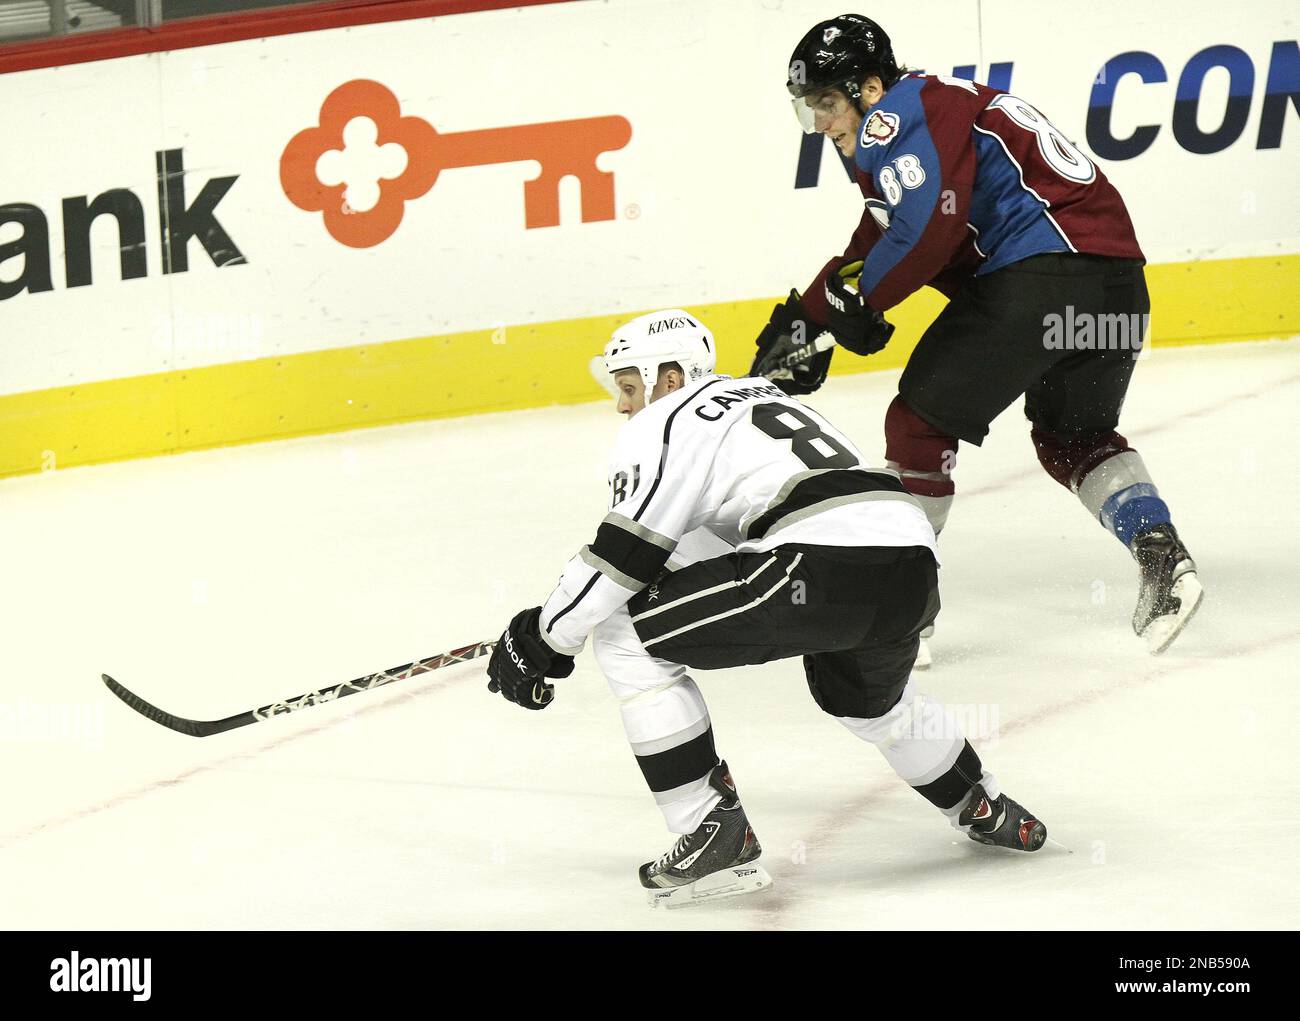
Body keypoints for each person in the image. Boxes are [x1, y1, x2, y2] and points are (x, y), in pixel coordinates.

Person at [486, 309, 1045, 908]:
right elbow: (688, 551)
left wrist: (547, 640)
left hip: (813, 562)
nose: (623, 406)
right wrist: (563, 617)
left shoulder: (668, 419)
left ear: (669, 378)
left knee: (625, 633)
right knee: (865, 698)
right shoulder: (757, 399)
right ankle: (979, 801)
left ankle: (708, 829)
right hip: (909, 563)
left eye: (628, 386)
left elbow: (624, 556)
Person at [749, 14, 1203, 659]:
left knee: (917, 425)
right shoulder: (939, 110)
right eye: (810, 107)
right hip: (1115, 290)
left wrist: (858, 303)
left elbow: (929, 231)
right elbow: (886, 233)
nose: (820, 122)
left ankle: (904, 613)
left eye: (827, 102)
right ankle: (1165, 561)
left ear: (870, 89)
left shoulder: (900, 117)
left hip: (1040, 275)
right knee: (1075, 438)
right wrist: (819, 310)